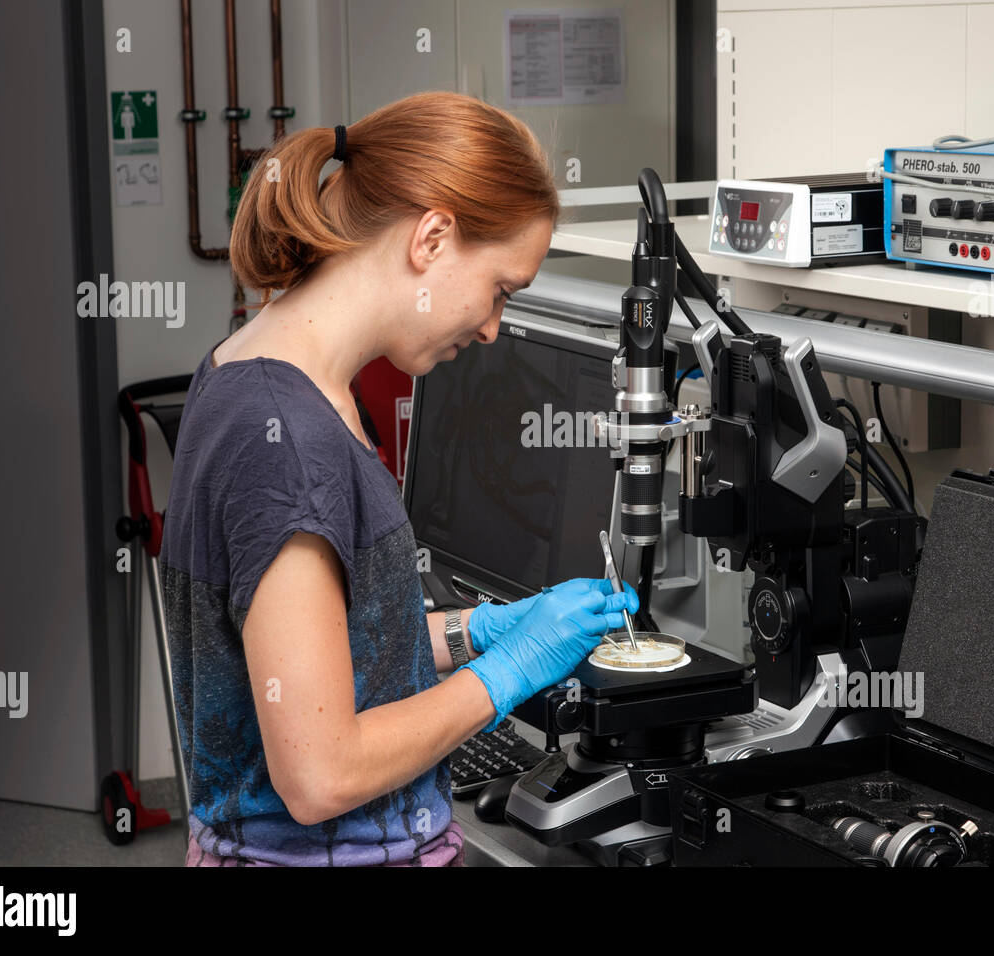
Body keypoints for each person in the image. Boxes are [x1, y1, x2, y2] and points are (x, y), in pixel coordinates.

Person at [159, 91, 638, 867]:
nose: (491, 328)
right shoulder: (289, 446)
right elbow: (320, 773)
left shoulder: (257, 373)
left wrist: (476, 630)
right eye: (501, 290)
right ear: (434, 237)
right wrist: (506, 673)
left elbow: (320, 652)